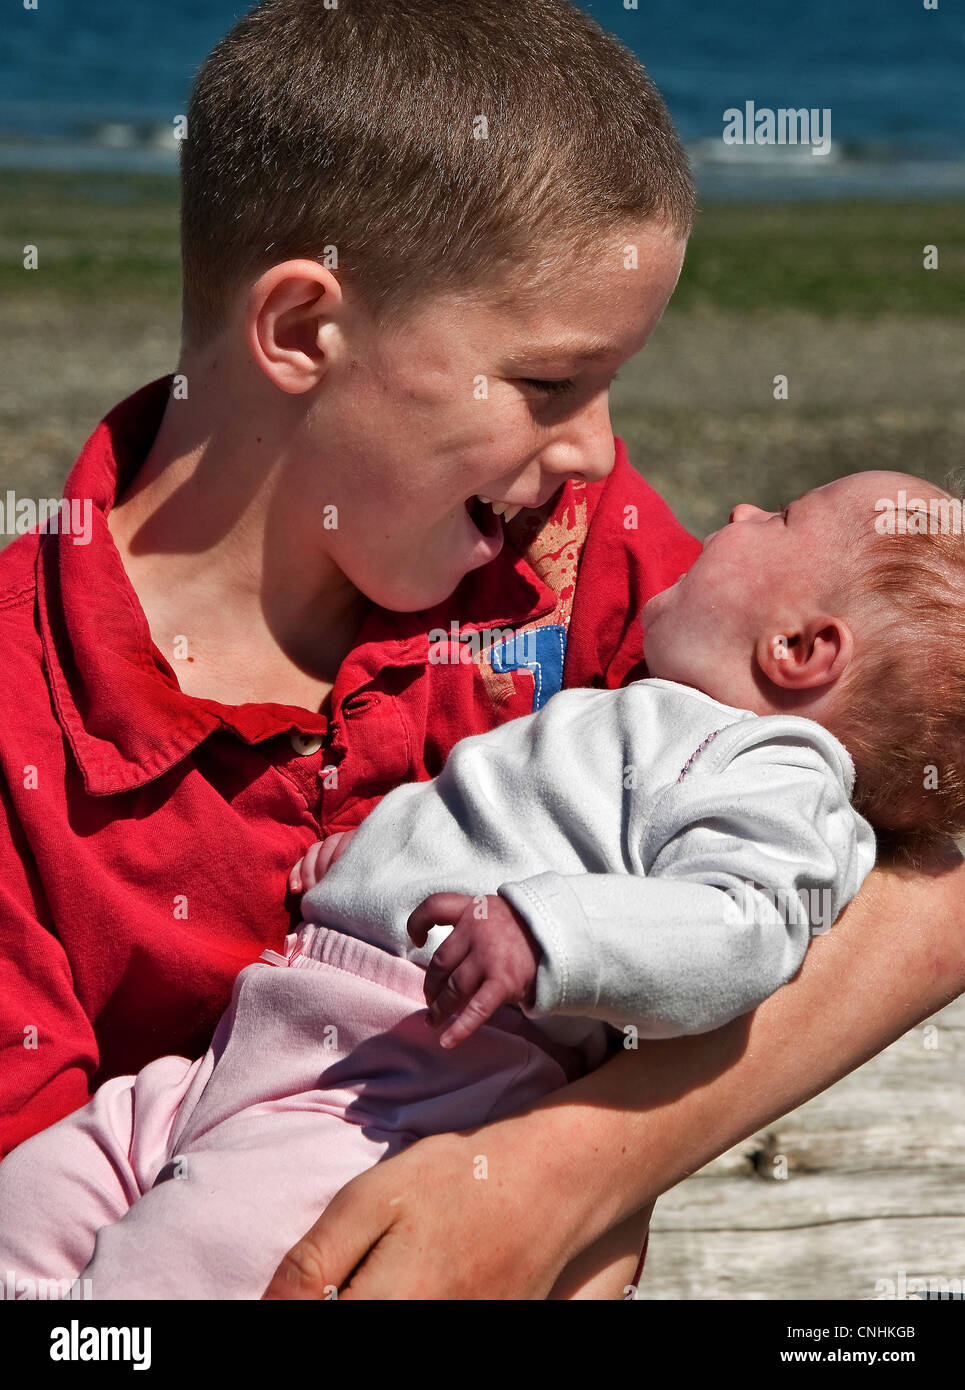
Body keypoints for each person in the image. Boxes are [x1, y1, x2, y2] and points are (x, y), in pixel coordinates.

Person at [1, 0, 963, 1302]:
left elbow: (930, 880)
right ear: (299, 330)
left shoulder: (573, 557)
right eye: (550, 383)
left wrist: (571, 1168)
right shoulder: (22, 708)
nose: (595, 451)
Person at [2, 469, 963, 1301]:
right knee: (36, 1196)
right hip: (249, 1055)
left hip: (392, 1099)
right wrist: (380, 857)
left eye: (781, 520)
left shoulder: (776, 773)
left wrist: (551, 936)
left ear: (799, 651)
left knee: (186, 1262)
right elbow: (506, 812)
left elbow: (744, 926)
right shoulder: (654, 710)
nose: (744, 509)